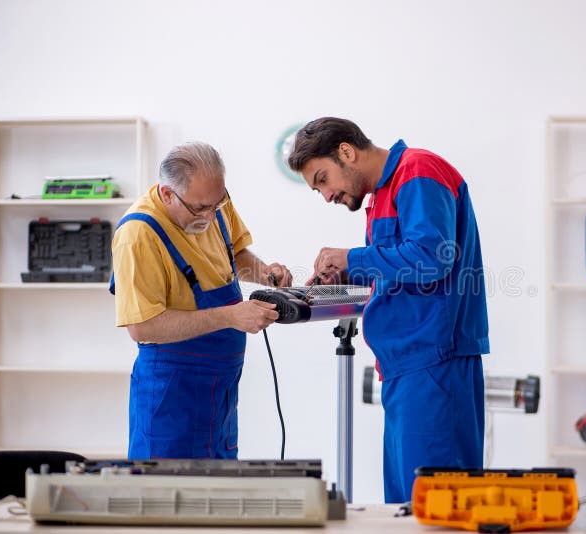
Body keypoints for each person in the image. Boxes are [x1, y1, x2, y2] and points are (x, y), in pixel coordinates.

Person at [288, 118, 489, 503]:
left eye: (323, 179)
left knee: (436, 507)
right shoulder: (381, 195)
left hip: (434, 362)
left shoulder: (418, 170)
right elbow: (403, 271)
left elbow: (432, 258)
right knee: (405, 504)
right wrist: (346, 273)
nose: (327, 195)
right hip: (405, 366)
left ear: (346, 151)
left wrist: (353, 257)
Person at [110, 141, 292, 460]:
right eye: (199, 208)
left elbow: (233, 252)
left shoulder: (212, 200)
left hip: (220, 391)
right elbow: (142, 327)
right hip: (171, 394)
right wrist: (231, 317)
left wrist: (264, 273)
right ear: (167, 194)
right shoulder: (137, 235)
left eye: (216, 204)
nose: (209, 216)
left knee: (217, 494)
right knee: (167, 497)